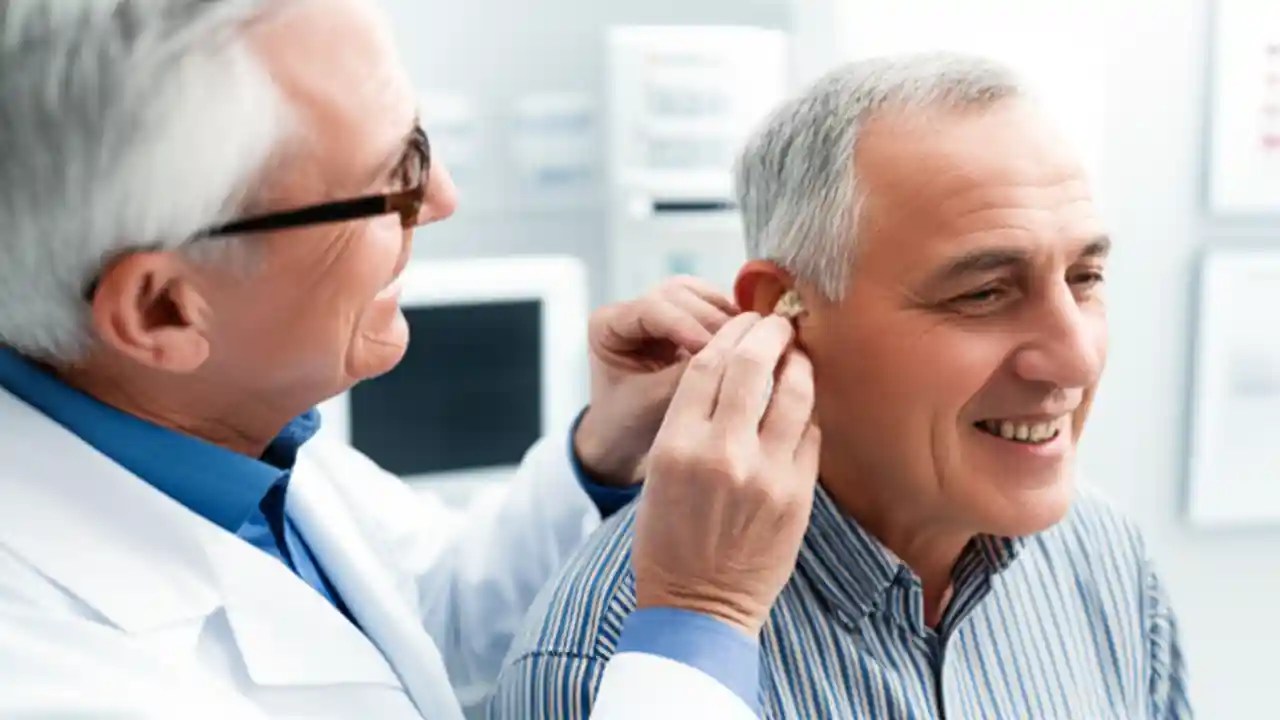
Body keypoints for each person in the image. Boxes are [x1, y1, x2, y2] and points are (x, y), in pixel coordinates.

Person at [0, 1, 819, 718]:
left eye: (420, 144)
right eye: (395, 181)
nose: (442, 200)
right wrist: (699, 614)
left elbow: (432, 618)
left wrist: (602, 449)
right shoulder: (47, 677)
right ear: (163, 310)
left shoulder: (228, 432)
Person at [492, 52, 1193, 719]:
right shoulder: (603, 667)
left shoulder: (1103, 556)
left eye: (1086, 279)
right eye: (983, 293)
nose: (1075, 360)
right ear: (783, 313)